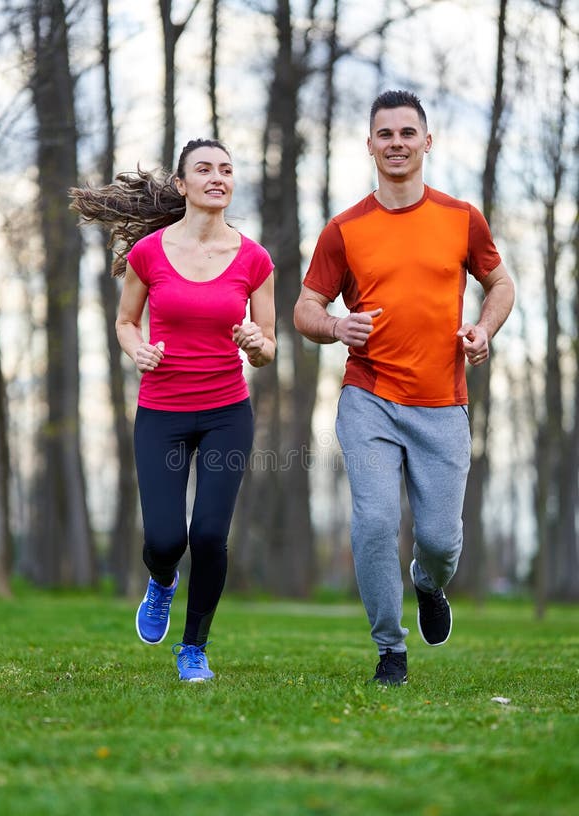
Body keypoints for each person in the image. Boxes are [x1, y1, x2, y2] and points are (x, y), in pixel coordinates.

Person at [293, 90, 514, 686]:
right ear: (369, 145)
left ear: (427, 141)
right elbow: (305, 307)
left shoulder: (461, 218)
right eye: (384, 134)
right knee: (372, 522)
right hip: (369, 398)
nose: (396, 143)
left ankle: (427, 582)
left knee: (441, 540)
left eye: (406, 133)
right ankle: (391, 649)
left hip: (443, 403)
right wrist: (338, 325)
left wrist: (482, 329)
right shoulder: (345, 230)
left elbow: (501, 284)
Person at [70, 139, 276, 682]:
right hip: (161, 412)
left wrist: (255, 342)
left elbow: (269, 344)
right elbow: (124, 321)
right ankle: (161, 582)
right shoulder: (151, 253)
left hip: (227, 413)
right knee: (166, 539)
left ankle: (194, 648)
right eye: (204, 169)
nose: (218, 177)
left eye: (227, 170)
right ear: (181, 185)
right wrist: (136, 348)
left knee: (209, 534)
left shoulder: (254, 259)